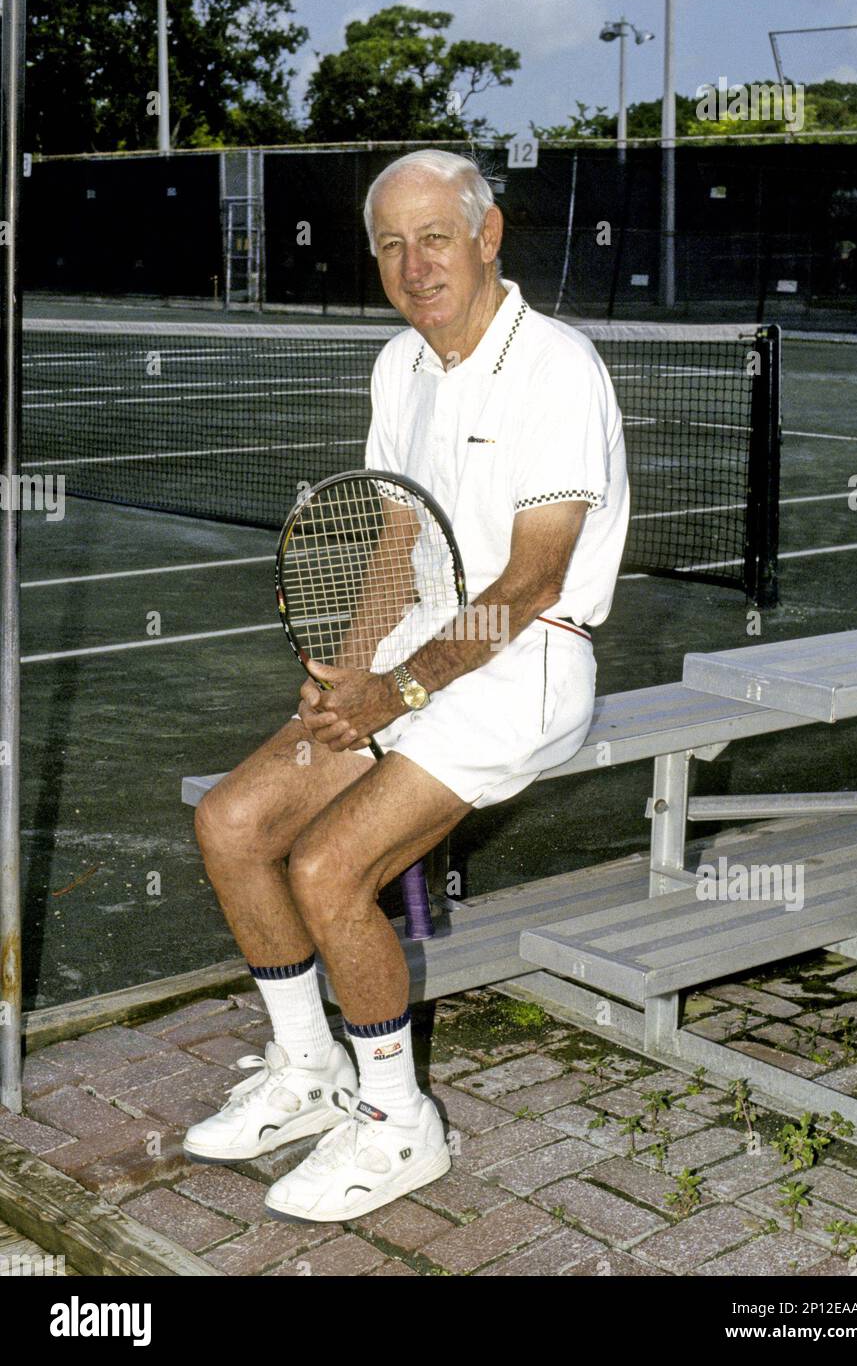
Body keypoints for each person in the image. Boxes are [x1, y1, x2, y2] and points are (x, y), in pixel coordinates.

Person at [183, 149, 630, 1223]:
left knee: (330, 864)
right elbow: (396, 538)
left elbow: (532, 580)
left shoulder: (557, 367)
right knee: (234, 820)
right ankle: (309, 1072)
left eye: (435, 236)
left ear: (488, 236)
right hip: (417, 662)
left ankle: (398, 1125)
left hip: (526, 665)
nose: (413, 263)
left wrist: (401, 690)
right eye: (390, 243)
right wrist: (352, 663)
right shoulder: (401, 366)